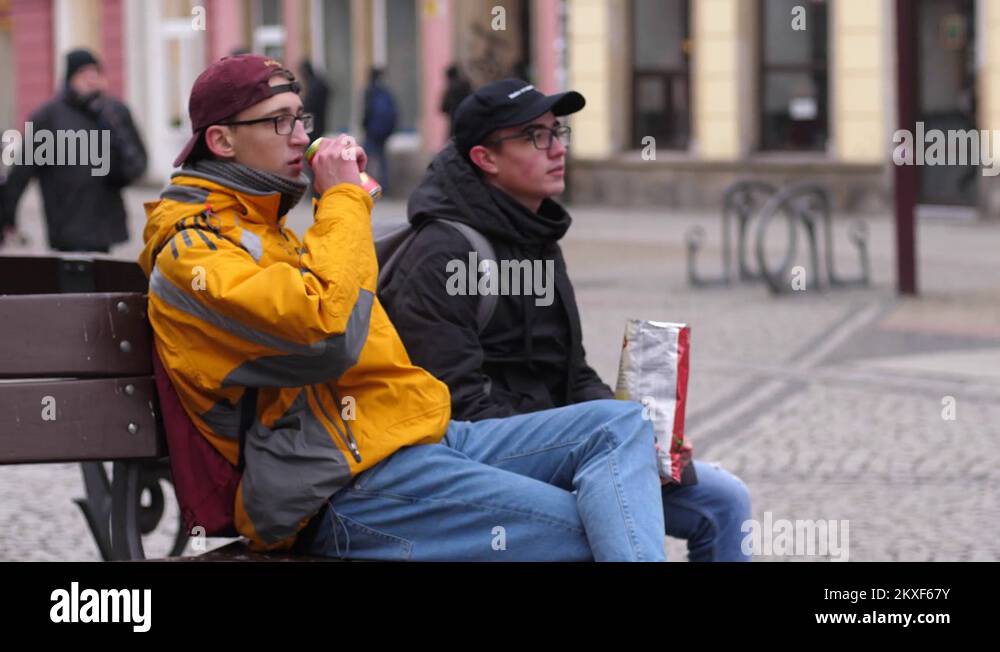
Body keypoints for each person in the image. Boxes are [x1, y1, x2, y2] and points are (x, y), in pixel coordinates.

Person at [138, 54, 671, 561]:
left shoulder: (265, 232)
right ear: (221, 140)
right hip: (338, 485)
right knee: (586, 528)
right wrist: (343, 200)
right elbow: (330, 333)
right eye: (279, 122)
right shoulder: (194, 257)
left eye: (301, 118)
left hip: (416, 439)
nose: (301, 136)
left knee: (620, 425)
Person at [379, 79, 753, 561]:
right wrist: (576, 444)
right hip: (475, 457)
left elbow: (572, 373)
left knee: (723, 501)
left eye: (558, 132)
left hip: (573, 446)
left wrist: (648, 440)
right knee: (594, 510)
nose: (557, 149)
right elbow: (454, 405)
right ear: (485, 158)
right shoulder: (443, 254)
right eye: (536, 136)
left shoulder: (538, 238)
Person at [2, 48, 147, 253]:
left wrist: (116, 132)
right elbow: (21, 172)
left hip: (105, 222)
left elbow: (137, 163)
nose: (91, 79)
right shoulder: (48, 117)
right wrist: (8, 217)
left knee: (106, 280)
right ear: (70, 78)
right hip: (66, 224)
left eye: (95, 73)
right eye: (83, 74)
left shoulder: (114, 111)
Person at [361, 67, 396, 193]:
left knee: (364, 160)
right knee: (382, 160)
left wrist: (364, 125)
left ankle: (366, 187)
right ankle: (385, 188)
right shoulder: (385, 91)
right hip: (383, 132)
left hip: (371, 131)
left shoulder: (370, 91)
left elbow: (367, 111)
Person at [299, 59, 330, 139]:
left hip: (314, 123)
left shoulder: (315, 86)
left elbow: (308, 107)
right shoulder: (315, 84)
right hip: (317, 122)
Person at [440, 63, 472, 135]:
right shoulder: (466, 85)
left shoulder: (450, 89)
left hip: (454, 121)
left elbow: (443, 107)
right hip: (466, 119)